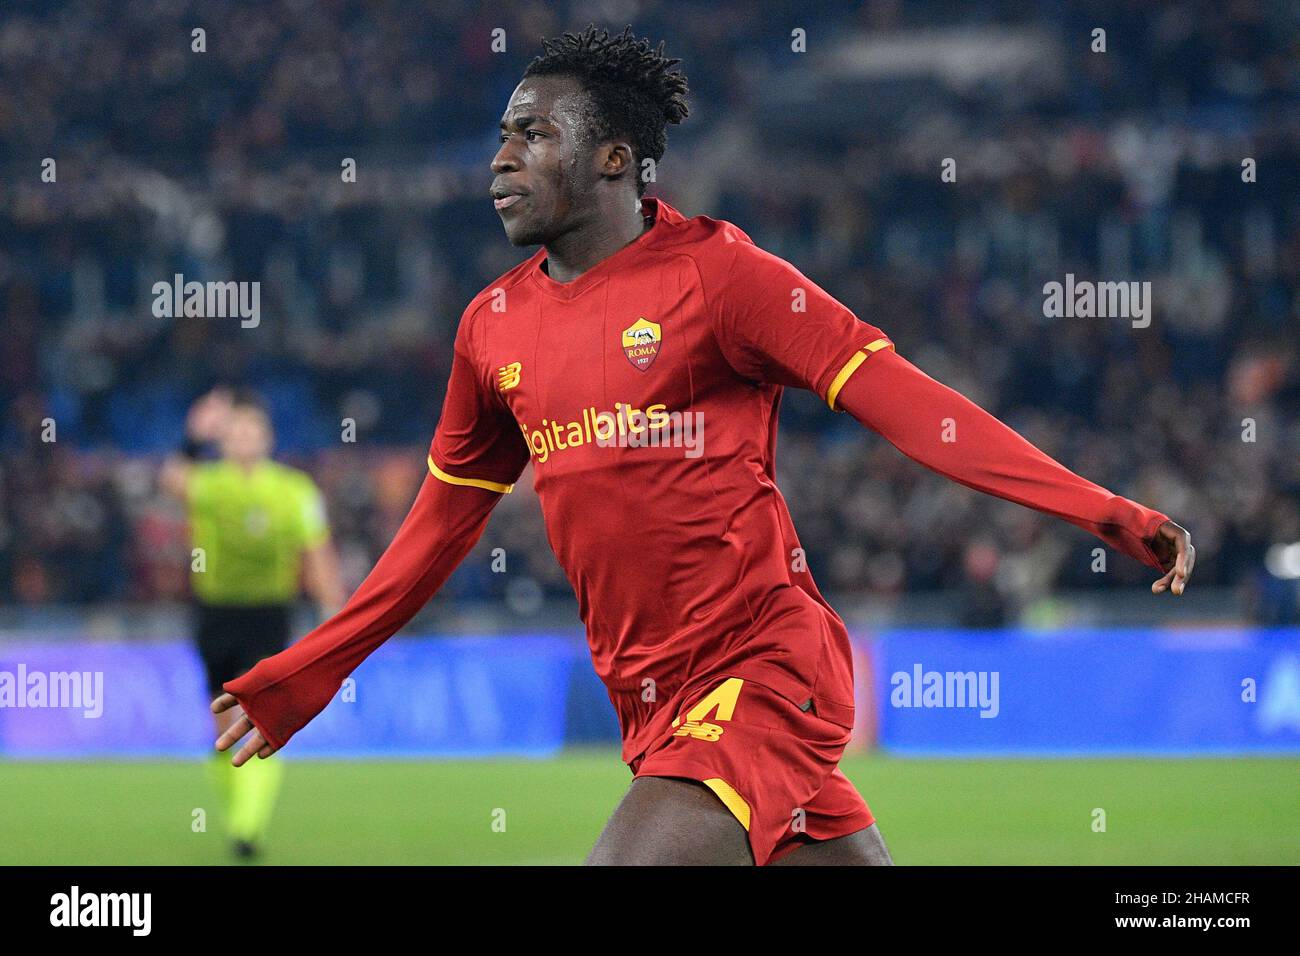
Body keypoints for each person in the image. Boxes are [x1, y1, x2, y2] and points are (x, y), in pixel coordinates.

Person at [212, 25, 1194, 865]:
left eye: (533, 133)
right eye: (502, 135)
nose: (500, 158)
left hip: (766, 664)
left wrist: (1103, 510)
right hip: (653, 700)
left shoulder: (719, 276)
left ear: (613, 158)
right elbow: (432, 534)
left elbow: (912, 405)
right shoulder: (490, 328)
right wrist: (312, 669)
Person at [162, 387, 343, 859]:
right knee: (221, 721)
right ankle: (236, 814)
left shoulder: (293, 490)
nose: (243, 438)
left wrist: (334, 614)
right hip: (216, 613)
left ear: (267, 438)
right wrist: (190, 436)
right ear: (224, 440)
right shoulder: (209, 482)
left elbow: (317, 553)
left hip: (268, 614)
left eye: (252, 431)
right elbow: (171, 481)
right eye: (234, 431)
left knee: (256, 716)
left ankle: (248, 825)